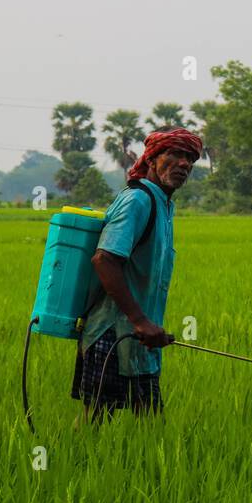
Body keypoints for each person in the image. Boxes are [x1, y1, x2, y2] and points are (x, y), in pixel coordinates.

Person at [71, 127, 202, 422]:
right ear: (152, 159)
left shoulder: (164, 204)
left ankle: (148, 469)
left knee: (151, 423)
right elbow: (104, 260)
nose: (184, 163)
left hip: (141, 338)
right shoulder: (137, 200)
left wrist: (145, 324)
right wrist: (140, 320)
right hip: (112, 332)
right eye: (175, 154)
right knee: (96, 419)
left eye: (190, 159)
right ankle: (74, 465)